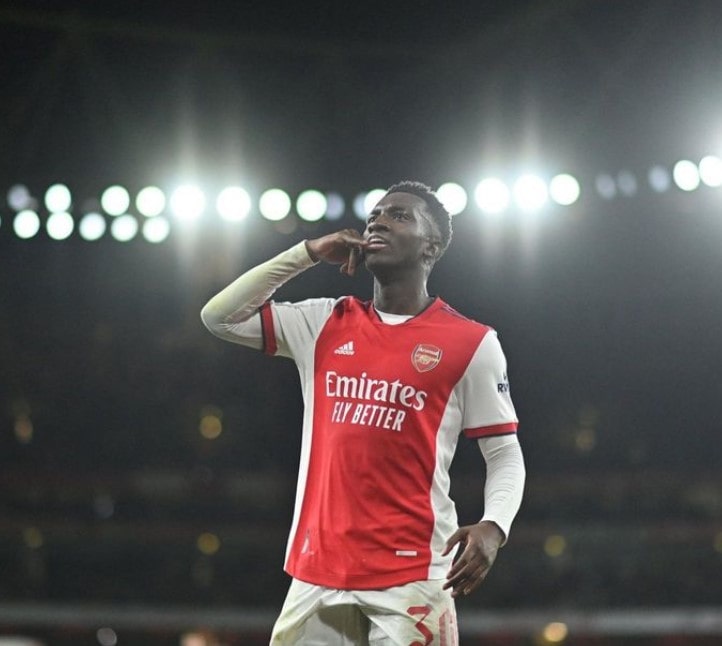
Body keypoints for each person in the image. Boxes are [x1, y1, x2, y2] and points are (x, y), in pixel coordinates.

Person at [201, 181, 525, 645]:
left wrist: (495, 527)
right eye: (374, 215)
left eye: (399, 216)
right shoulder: (323, 321)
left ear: (431, 246)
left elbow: (504, 453)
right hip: (317, 572)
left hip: (413, 575)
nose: (378, 222)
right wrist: (308, 253)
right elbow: (219, 317)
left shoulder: (472, 342)